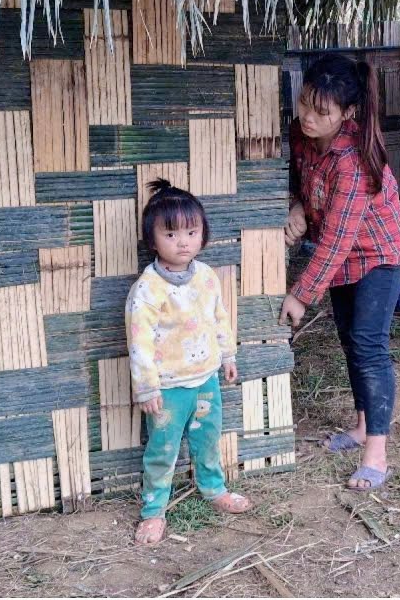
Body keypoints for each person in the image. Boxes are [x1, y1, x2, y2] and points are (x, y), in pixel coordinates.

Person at [280, 53, 400, 492]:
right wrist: (298, 206)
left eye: (322, 112)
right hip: (343, 256)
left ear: (348, 113)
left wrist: (301, 293)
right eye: (305, 104)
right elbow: (302, 185)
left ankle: (375, 453)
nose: (308, 117)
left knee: (368, 343)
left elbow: (337, 237)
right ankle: (360, 425)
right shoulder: (302, 137)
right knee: (348, 340)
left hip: (380, 253)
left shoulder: (353, 161)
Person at [126, 179, 254, 546]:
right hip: (167, 388)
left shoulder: (207, 277)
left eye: (191, 232)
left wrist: (227, 355)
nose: (183, 241)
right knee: (162, 450)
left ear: (203, 234)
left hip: (205, 380)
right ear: (152, 240)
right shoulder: (148, 289)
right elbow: (140, 341)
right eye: (171, 234)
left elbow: (219, 318)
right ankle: (153, 512)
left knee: (208, 439)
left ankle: (213, 488)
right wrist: (147, 386)